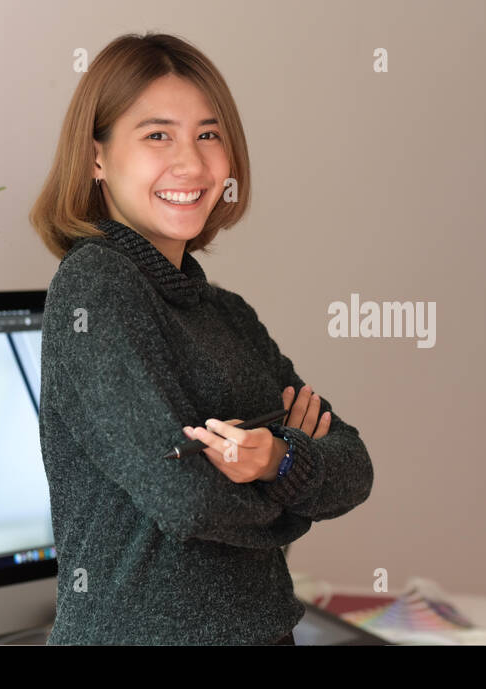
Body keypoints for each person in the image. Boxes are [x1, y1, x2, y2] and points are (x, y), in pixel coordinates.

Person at [29, 32, 373, 645]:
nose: (190, 163)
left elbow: (354, 465)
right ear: (96, 157)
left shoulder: (226, 315)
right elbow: (184, 497)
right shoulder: (95, 286)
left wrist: (276, 457)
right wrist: (290, 487)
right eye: (157, 134)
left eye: (208, 135)